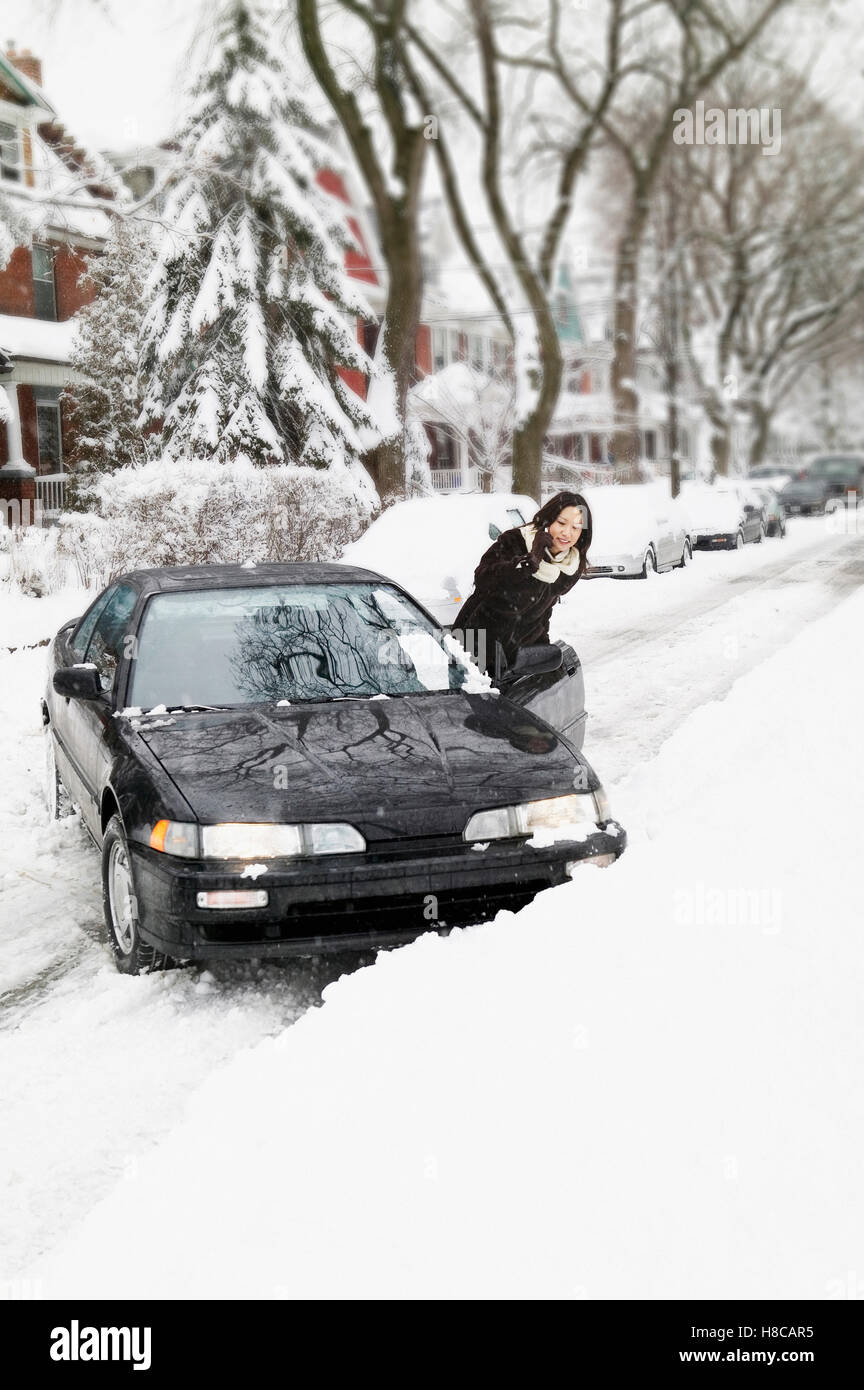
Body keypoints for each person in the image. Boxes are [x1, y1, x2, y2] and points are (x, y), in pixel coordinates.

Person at [453, 491, 592, 677]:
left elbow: (541, 614)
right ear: (549, 520)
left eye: (576, 527)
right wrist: (529, 562)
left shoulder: (569, 566)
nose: (567, 533)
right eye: (561, 523)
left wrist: (545, 659)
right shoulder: (516, 541)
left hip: (514, 666)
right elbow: (483, 578)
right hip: (472, 650)